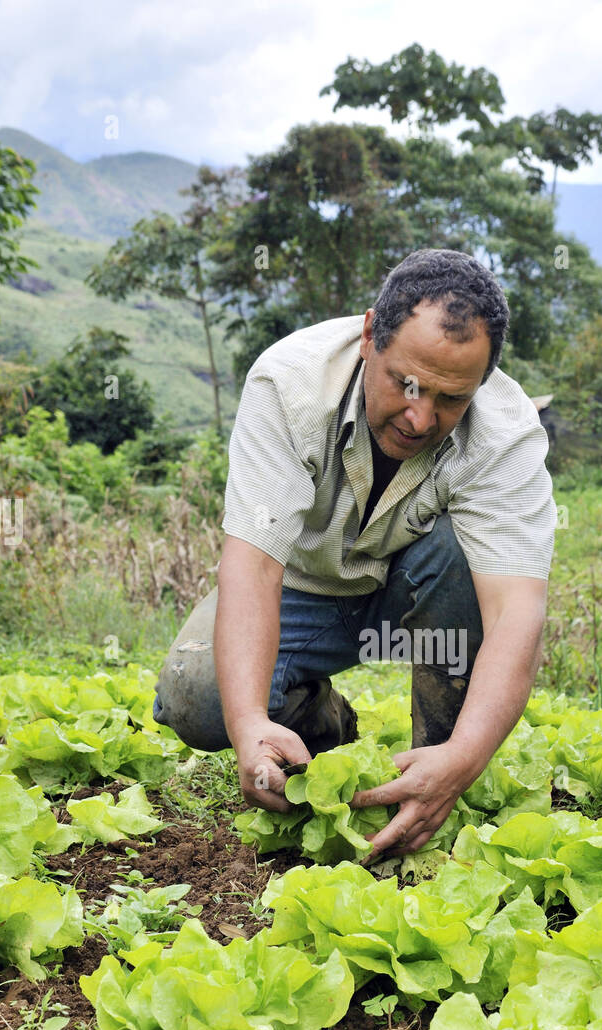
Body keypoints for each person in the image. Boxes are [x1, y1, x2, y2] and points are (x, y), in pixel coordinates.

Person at [153, 247, 556, 858]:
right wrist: (248, 726)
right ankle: (316, 722)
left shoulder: (507, 431)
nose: (422, 418)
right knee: (197, 697)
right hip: (303, 590)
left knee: (457, 550)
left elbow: (515, 612)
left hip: (417, 598)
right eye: (407, 384)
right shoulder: (290, 383)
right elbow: (254, 566)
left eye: (452, 399)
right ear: (371, 336)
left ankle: (435, 770)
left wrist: (465, 755)